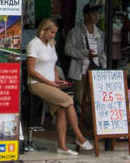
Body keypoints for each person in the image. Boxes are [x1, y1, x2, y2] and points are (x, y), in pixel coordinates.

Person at [26, 18, 90, 155]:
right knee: (68, 101)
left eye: (55, 33)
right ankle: (80, 138)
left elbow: (53, 64)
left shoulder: (51, 44)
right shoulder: (33, 44)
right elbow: (31, 70)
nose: (54, 35)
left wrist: (57, 79)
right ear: (44, 30)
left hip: (50, 83)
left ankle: (62, 147)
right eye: (52, 32)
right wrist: (50, 83)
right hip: (37, 84)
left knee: (61, 110)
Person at [64, 4, 105, 113]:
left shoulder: (100, 33)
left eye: (97, 13)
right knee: (80, 97)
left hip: (96, 70)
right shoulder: (75, 32)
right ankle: (82, 121)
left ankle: (90, 124)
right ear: (86, 16)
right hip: (80, 71)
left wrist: (105, 67)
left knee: (95, 98)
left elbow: (102, 52)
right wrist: (85, 53)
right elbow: (67, 49)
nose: (96, 16)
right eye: (93, 14)